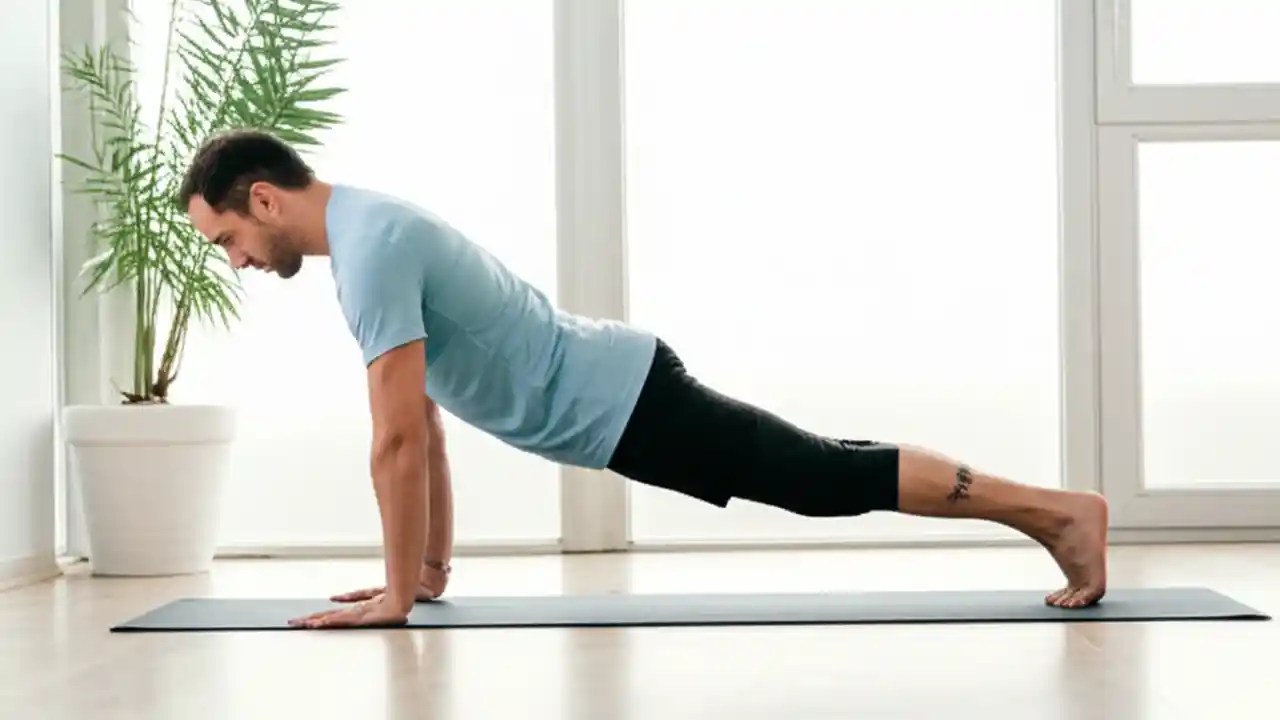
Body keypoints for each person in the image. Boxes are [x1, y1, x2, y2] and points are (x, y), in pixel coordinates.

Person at [177, 129, 1109, 629]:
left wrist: (391, 597)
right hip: (618, 389)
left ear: (262, 197)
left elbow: (394, 441)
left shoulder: (371, 254)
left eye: (228, 240)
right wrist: (421, 573)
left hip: (621, 400)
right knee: (824, 468)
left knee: (825, 477)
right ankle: (1054, 513)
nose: (237, 261)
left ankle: (1058, 512)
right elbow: (421, 423)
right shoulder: (368, 237)